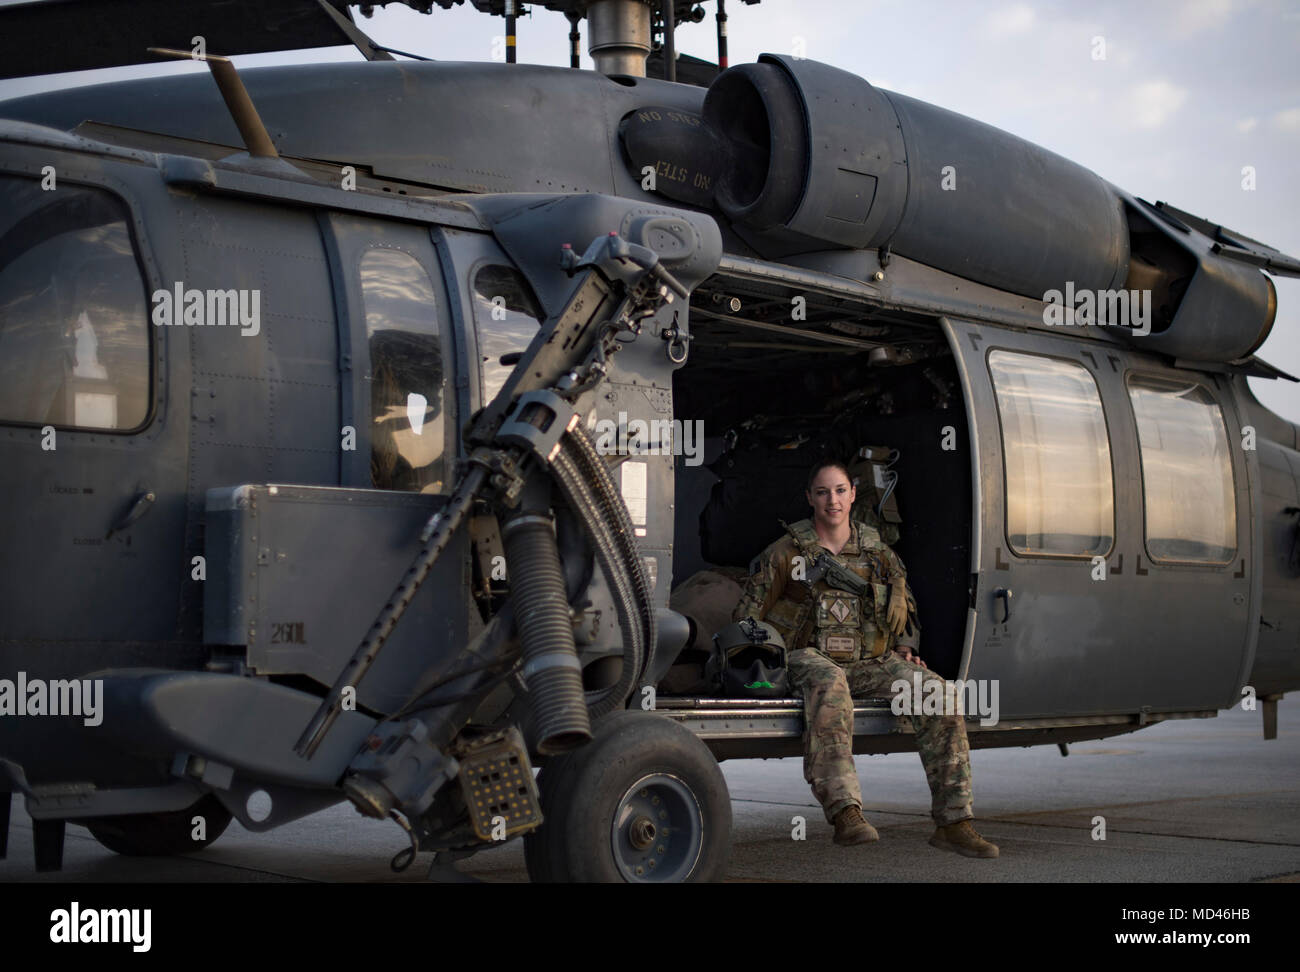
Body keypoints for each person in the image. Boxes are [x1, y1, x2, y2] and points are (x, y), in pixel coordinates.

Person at [732, 458, 999, 857]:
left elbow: (904, 604)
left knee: (937, 692)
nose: (832, 500)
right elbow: (747, 619)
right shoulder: (787, 553)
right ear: (810, 498)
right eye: (822, 492)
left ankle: (955, 821)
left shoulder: (878, 553)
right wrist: (764, 663)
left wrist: (907, 647)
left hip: (870, 662)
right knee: (830, 682)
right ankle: (846, 812)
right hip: (808, 659)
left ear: (853, 494)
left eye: (840, 491)